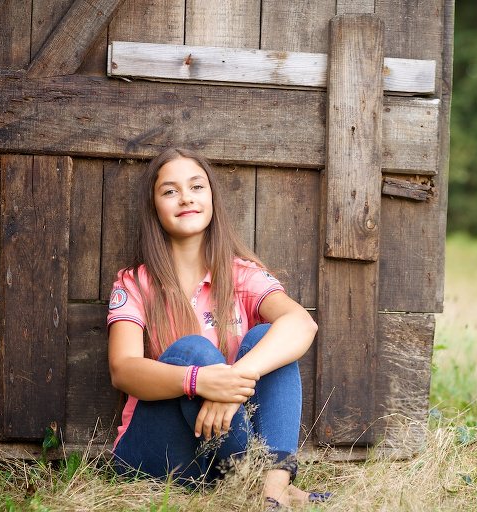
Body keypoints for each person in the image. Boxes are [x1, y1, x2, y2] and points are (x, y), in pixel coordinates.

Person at [106, 147, 328, 508]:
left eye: (196, 187)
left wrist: (233, 380)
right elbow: (123, 370)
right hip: (157, 453)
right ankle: (262, 480)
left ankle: (271, 491)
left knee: (266, 337)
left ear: (211, 198)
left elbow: (301, 323)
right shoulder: (134, 283)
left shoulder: (241, 273)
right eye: (170, 191)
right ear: (154, 207)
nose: (186, 198)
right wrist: (199, 381)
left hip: (221, 458)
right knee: (194, 351)